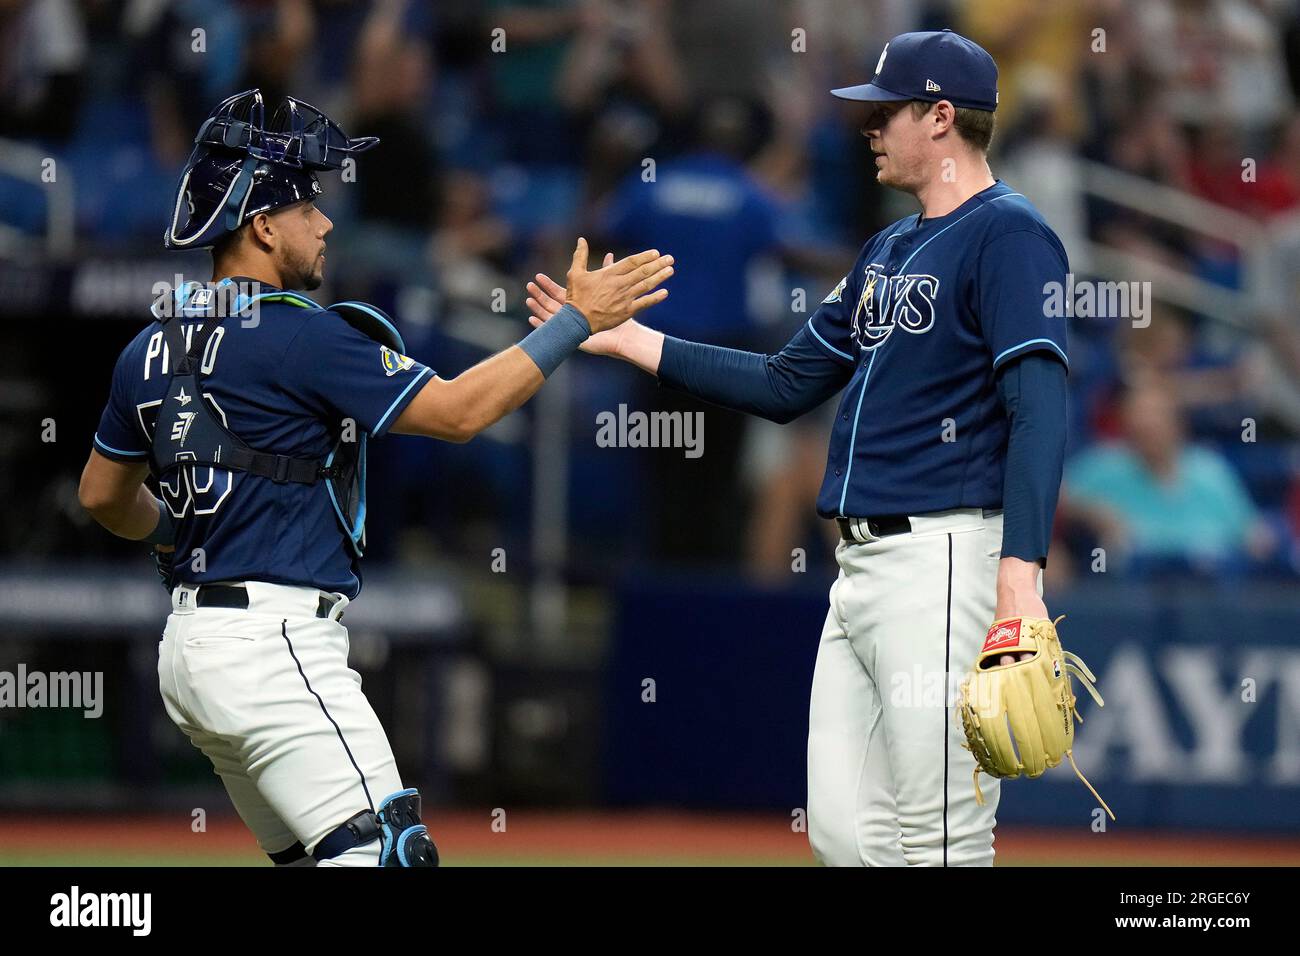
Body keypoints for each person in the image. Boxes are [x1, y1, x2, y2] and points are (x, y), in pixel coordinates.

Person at [77, 89, 671, 867]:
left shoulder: (146, 349)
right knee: (390, 855)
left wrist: (173, 536)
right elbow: (460, 412)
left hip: (189, 655)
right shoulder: (304, 337)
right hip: (276, 645)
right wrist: (574, 323)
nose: (324, 224)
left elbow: (100, 496)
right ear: (260, 225)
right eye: (306, 208)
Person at [527, 30, 1072, 866]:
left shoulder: (1010, 235)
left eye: (886, 111)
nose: (869, 127)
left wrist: (1019, 580)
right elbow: (786, 383)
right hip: (860, 570)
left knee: (940, 838)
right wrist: (632, 342)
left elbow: (1038, 405)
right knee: (845, 838)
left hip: (946, 555)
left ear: (940, 118)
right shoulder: (888, 247)